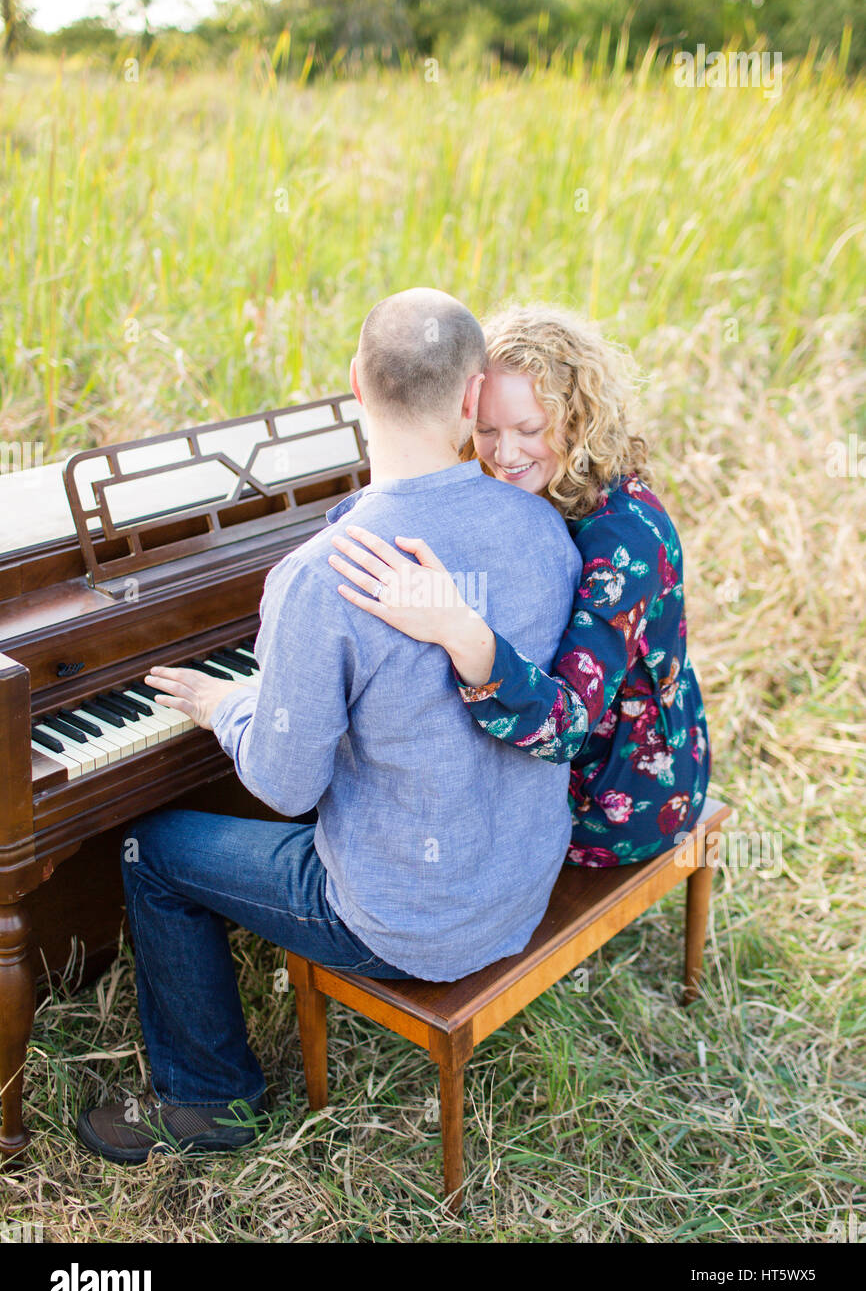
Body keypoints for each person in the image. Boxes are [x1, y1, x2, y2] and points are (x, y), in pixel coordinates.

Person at [75, 289, 581, 1164]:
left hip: (410, 923)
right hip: (520, 880)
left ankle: (207, 1102)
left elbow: (282, 786)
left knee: (149, 848)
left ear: (354, 385)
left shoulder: (325, 575)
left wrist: (228, 701)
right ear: (471, 400)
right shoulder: (543, 524)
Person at [329, 303, 711, 871]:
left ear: (577, 420)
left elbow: (566, 730)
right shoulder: (538, 487)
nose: (505, 456)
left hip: (617, 794)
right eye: (485, 430)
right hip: (563, 758)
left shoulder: (622, 539)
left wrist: (459, 630)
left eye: (531, 430)